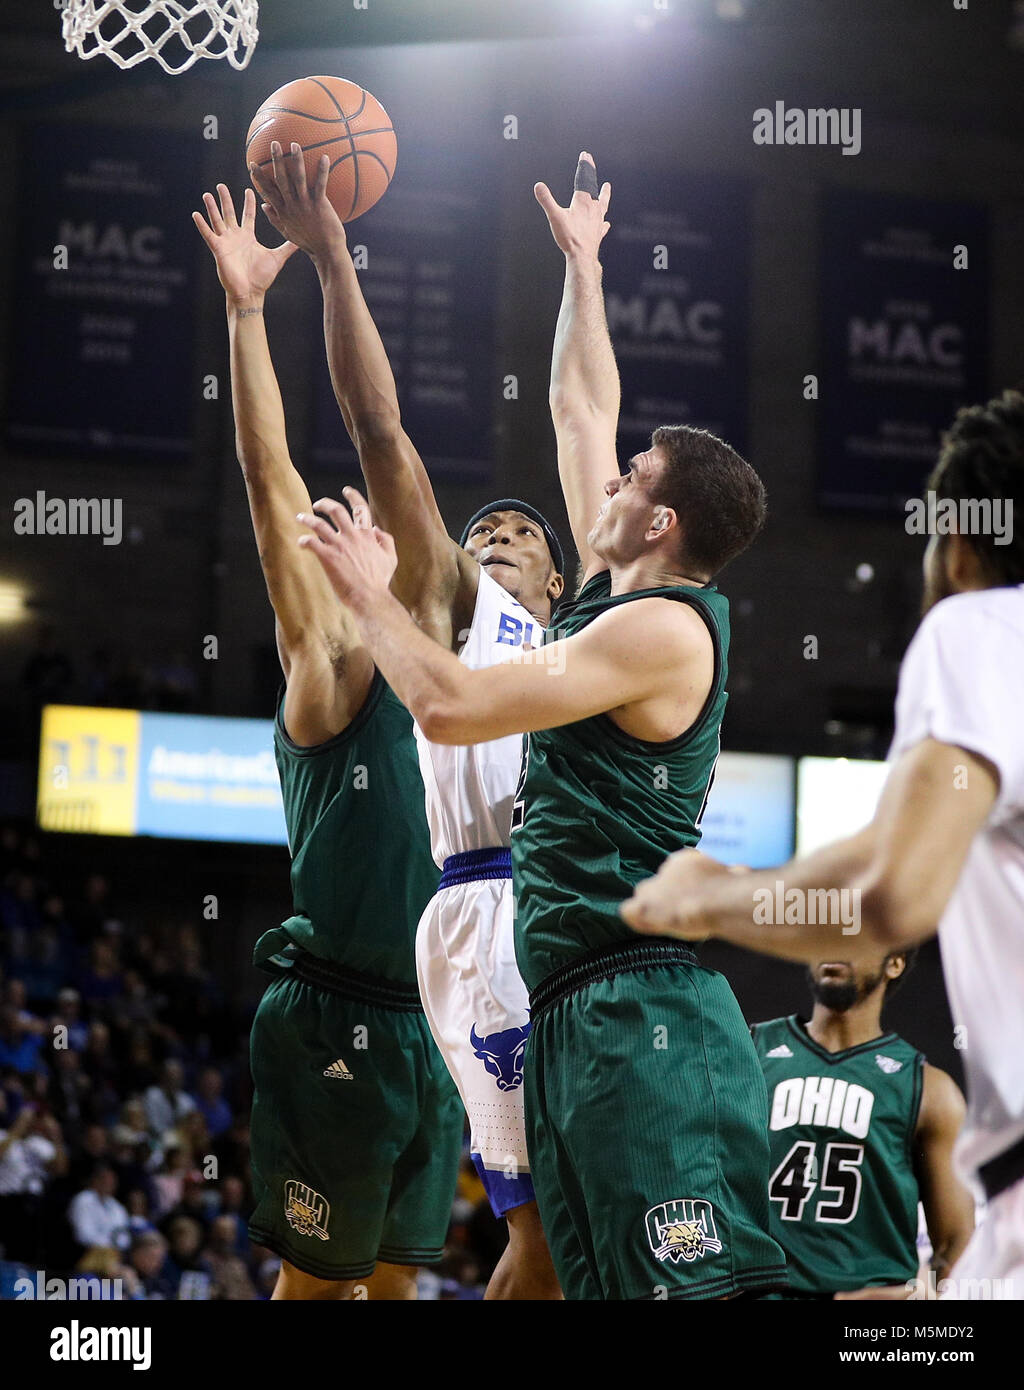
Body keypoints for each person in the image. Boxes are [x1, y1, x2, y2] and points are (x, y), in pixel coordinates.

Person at [292, 155, 784, 1301]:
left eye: (631, 475)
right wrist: (583, 267)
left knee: (662, 1278)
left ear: (652, 520)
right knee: (575, 1262)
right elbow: (578, 406)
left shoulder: (656, 630)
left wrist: (369, 595)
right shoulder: (618, 596)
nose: (602, 474)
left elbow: (453, 703)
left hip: (629, 991)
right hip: (564, 983)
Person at [622, 390, 1024, 1296]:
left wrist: (709, 900)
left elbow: (890, 900)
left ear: (957, 545)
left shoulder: (978, 625)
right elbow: (883, 846)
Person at [251, 143, 564, 1298]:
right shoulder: (463, 616)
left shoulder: (596, 651)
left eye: (524, 534)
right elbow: (379, 434)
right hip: (479, 925)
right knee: (550, 1234)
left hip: (569, 930)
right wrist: (333, 263)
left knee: (560, 1234)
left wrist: (581, 272)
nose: (496, 535)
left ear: (561, 582)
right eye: (483, 529)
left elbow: (588, 416)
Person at [192, 183, 461, 1301]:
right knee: (318, 1291)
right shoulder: (336, 659)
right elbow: (276, 475)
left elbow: (390, 440)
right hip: (339, 1014)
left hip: (440, 1022)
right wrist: (253, 308)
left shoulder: (471, 664)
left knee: (396, 1289)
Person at [752, 950, 973, 1298]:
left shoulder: (930, 1090)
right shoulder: (749, 1052)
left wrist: (917, 1297)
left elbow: (956, 1242)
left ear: (895, 962)